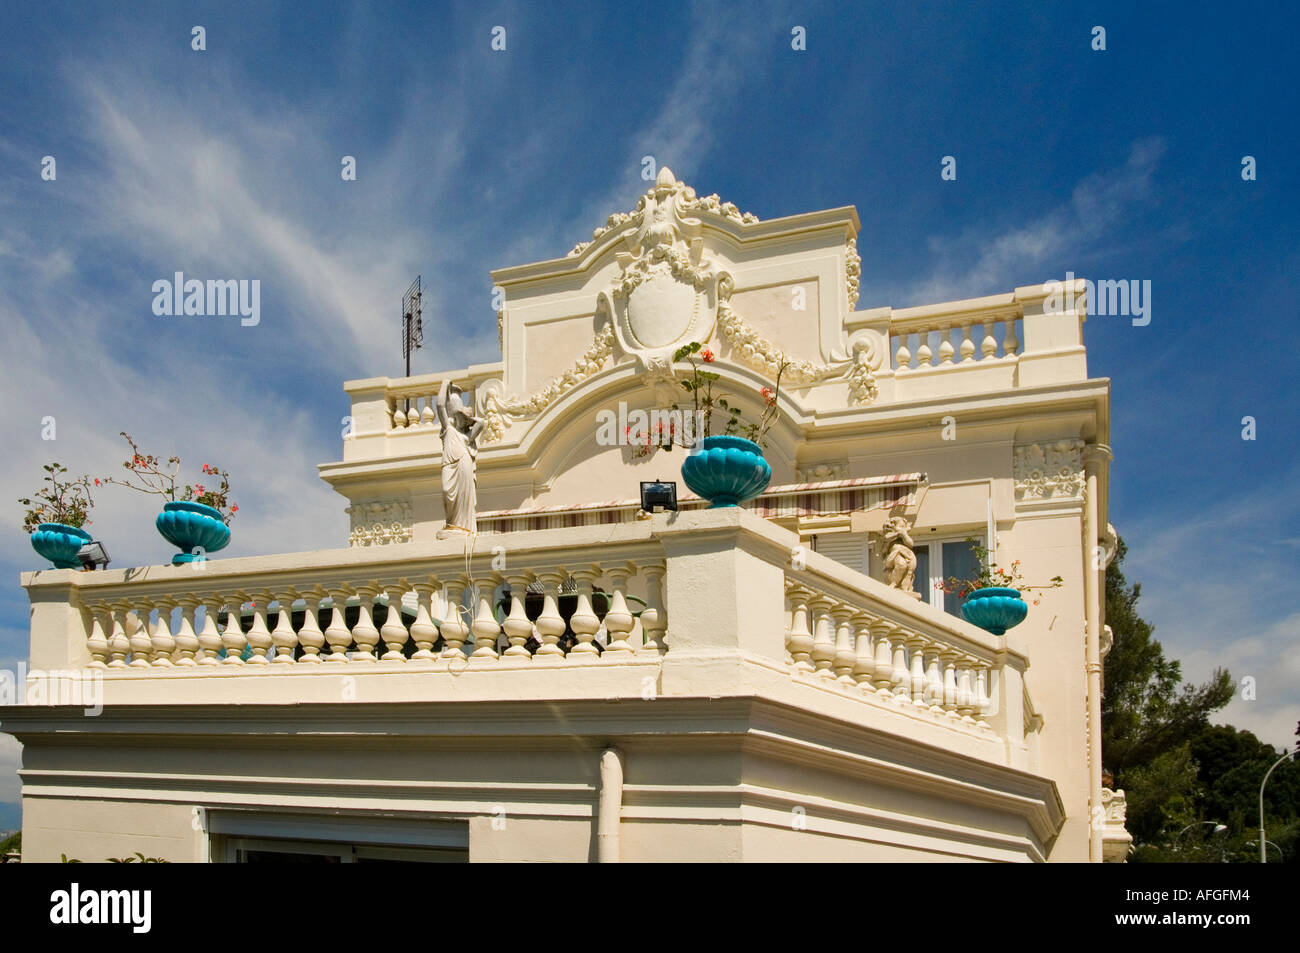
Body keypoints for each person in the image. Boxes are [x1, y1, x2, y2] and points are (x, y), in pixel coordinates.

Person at [435, 379, 485, 536]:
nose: (462, 420)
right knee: (446, 491)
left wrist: (469, 417)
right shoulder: (448, 429)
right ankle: (453, 524)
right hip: (449, 465)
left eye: (465, 419)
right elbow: (440, 406)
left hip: (464, 465)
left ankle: (462, 528)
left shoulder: (466, 437)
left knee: (463, 501)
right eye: (460, 417)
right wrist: (444, 385)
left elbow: (482, 422)